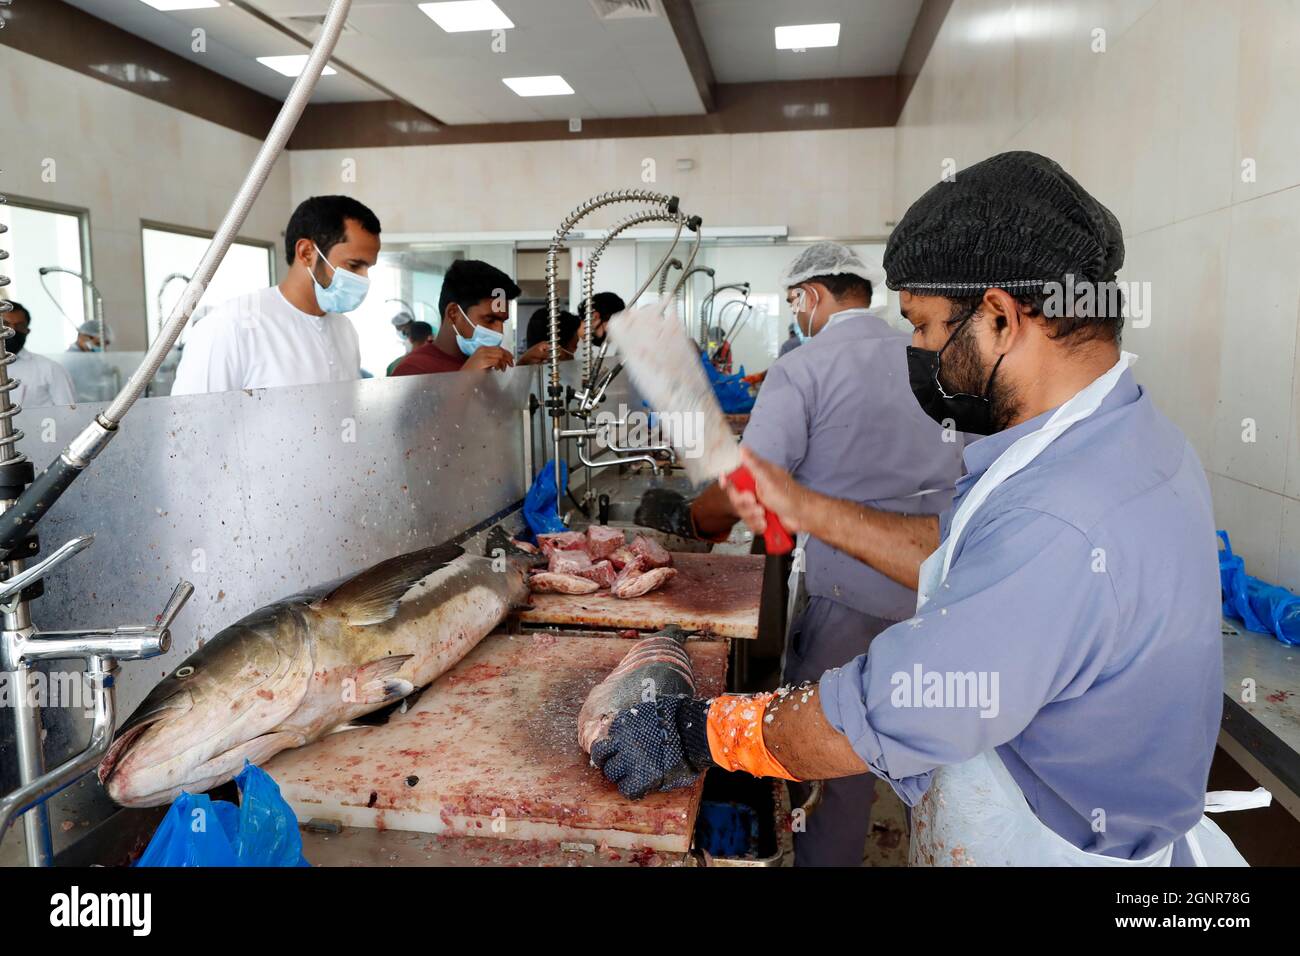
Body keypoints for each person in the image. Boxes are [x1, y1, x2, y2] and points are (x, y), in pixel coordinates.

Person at [596, 152, 1257, 867]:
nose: (912, 347)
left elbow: (882, 717)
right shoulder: (1119, 433)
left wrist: (698, 732)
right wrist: (797, 502)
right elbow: (957, 552)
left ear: (1001, 318)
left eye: (923, 325)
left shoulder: (1062, 517)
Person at [634, 241, 962, 866]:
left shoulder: (804, 368)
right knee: (931, 748)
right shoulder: (936, 357)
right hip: (936, 587)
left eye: (794, 304)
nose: (794, 317)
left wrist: (689, 518)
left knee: (833, 759)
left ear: (811, 297)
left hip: (846, 596)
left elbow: (748, 480)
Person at [171, 195, 381, 395]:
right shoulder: (232, 325)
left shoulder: (345, 329)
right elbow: (192, 426)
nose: (364, 278)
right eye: (354, 265)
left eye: (368, 268)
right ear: (306, 253)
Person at [392, 259, 520, 375]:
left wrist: (524, 367)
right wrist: (466, 377)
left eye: (502, 321)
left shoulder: (484, 363)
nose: (499, 332)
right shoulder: (413, 370)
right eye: (489, 320)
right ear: (453, 314)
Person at [2, 301, 76, 406]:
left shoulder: (50, 369)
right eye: (5, 324)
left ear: (27, 331)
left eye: (19, 326)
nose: (12, 331)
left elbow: (68, 414)